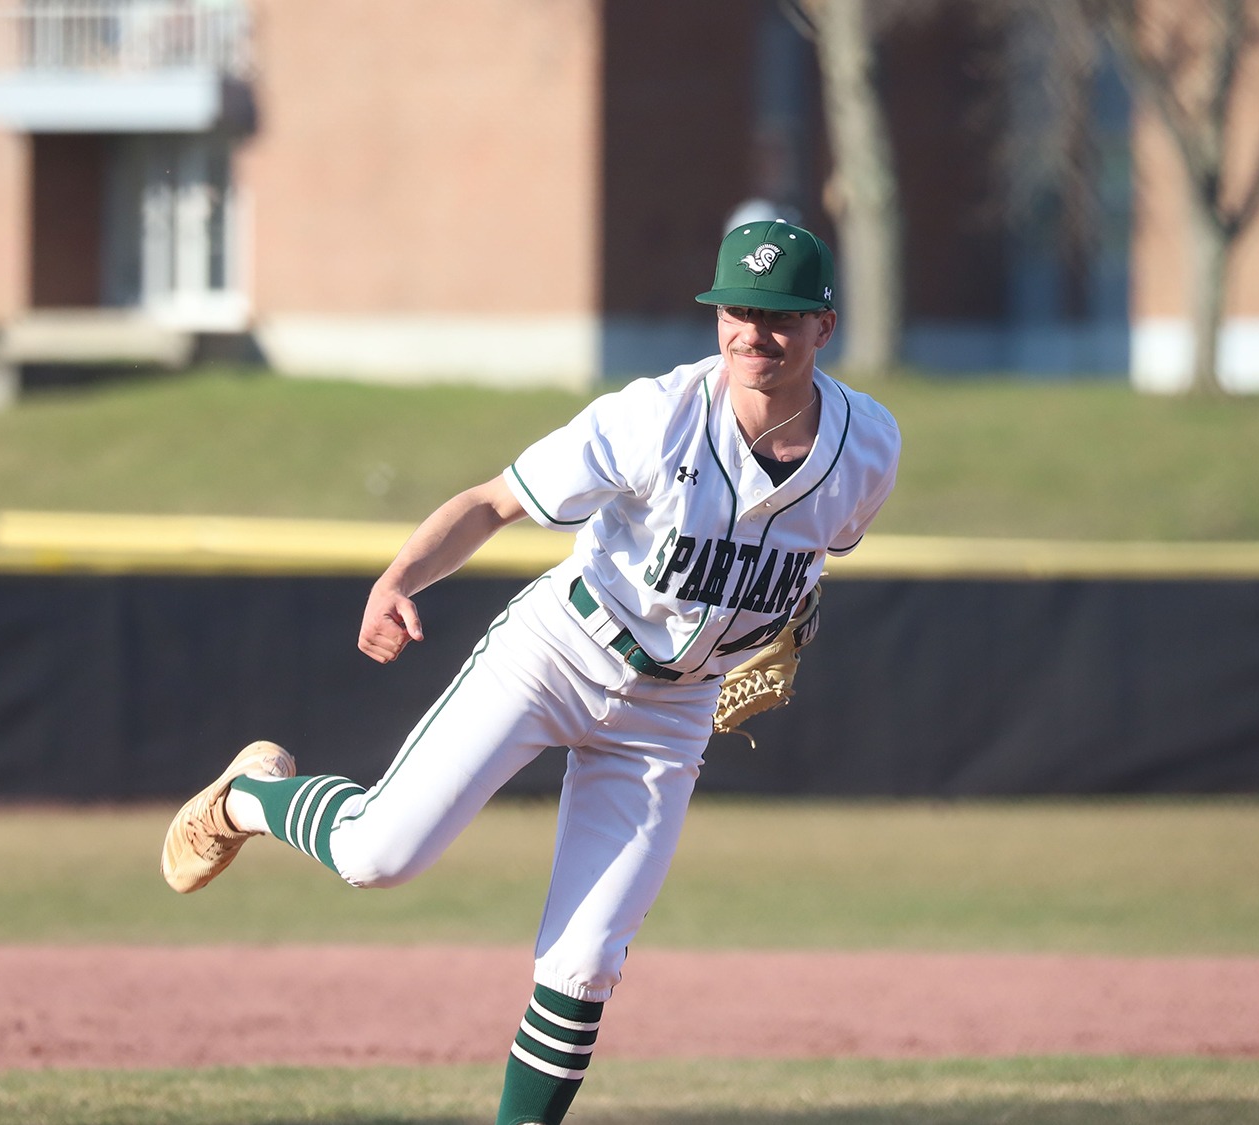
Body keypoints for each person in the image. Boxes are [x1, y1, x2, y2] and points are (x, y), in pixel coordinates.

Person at [161, 219, 900, 1125]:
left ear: (824, 326)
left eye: (779, 316)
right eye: (737, 311)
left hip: (670, 713)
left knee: (586, 963)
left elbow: (811, 556)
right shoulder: (653, 418)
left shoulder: (869, 447)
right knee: (375, 855)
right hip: (559, 653)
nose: (754, 333)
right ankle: (246, 795)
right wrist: (398, 579)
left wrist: (775, 624)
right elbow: (491, 501)